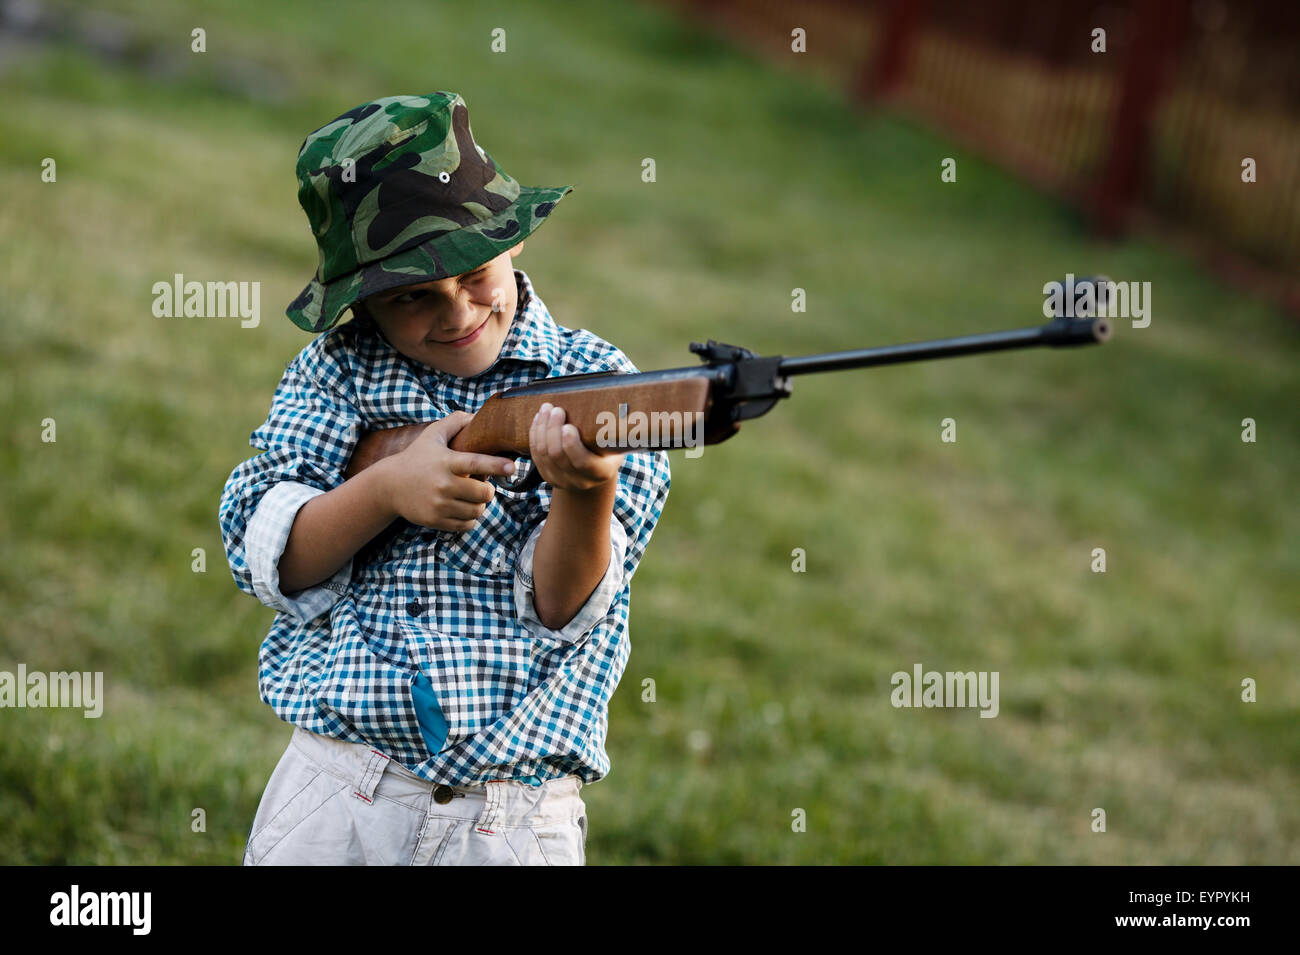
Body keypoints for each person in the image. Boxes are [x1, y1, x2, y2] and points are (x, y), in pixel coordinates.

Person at [218, 92, 671, 865]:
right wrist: (387, 489)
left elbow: (564, 605)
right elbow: (266, 546)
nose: (457, 310)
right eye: (411, 297)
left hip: (516, 817)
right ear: (362, 304)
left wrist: (586, 490)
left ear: (512, 244)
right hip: (343, 789)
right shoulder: (338, 372)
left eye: (472, 274)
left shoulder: (599, 384)